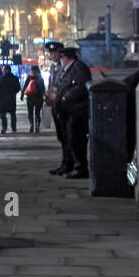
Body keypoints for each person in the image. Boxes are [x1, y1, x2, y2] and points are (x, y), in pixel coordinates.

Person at [56, 46, 92, 178]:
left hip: (76, 111)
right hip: (68, 111)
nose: (60, 61)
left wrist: (67, 96)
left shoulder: (78, 67)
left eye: (61, 58)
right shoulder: (68, 69)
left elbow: (81, 86)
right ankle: (70, 165)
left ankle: (80, 168)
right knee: (70, 139)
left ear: (66, 58)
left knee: (77, 140)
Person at [44, 42, 74, 174]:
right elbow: (53, 86)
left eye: (54, 53)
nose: (52, 55)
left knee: (68, 136)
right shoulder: (54, 67)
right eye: (51, 53)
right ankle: (65, 163)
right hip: (55, 104)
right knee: (62, 136)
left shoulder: (65, 67)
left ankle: (70, 164)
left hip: (64, 106)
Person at [0, 64, 22, 133]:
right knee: (13, 114)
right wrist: (13, 93)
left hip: (3, 99)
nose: (3, 71)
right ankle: (13, 127)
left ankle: (4, 127)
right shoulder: (15, 78)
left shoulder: (2, 79)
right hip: (11, 99)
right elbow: (18, 88)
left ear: (7, 70)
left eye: (4, 70)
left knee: (3, 114)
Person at [22, 64, 46, 133]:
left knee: (30, 112)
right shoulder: (40, 78)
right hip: (39, 97)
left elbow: (25, 86)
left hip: (30, 97)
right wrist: (44, 96)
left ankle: (31, 125)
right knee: (37, 113)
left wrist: (22, 94)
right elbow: (43, 88)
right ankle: (37, 127)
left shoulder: (29, 77)